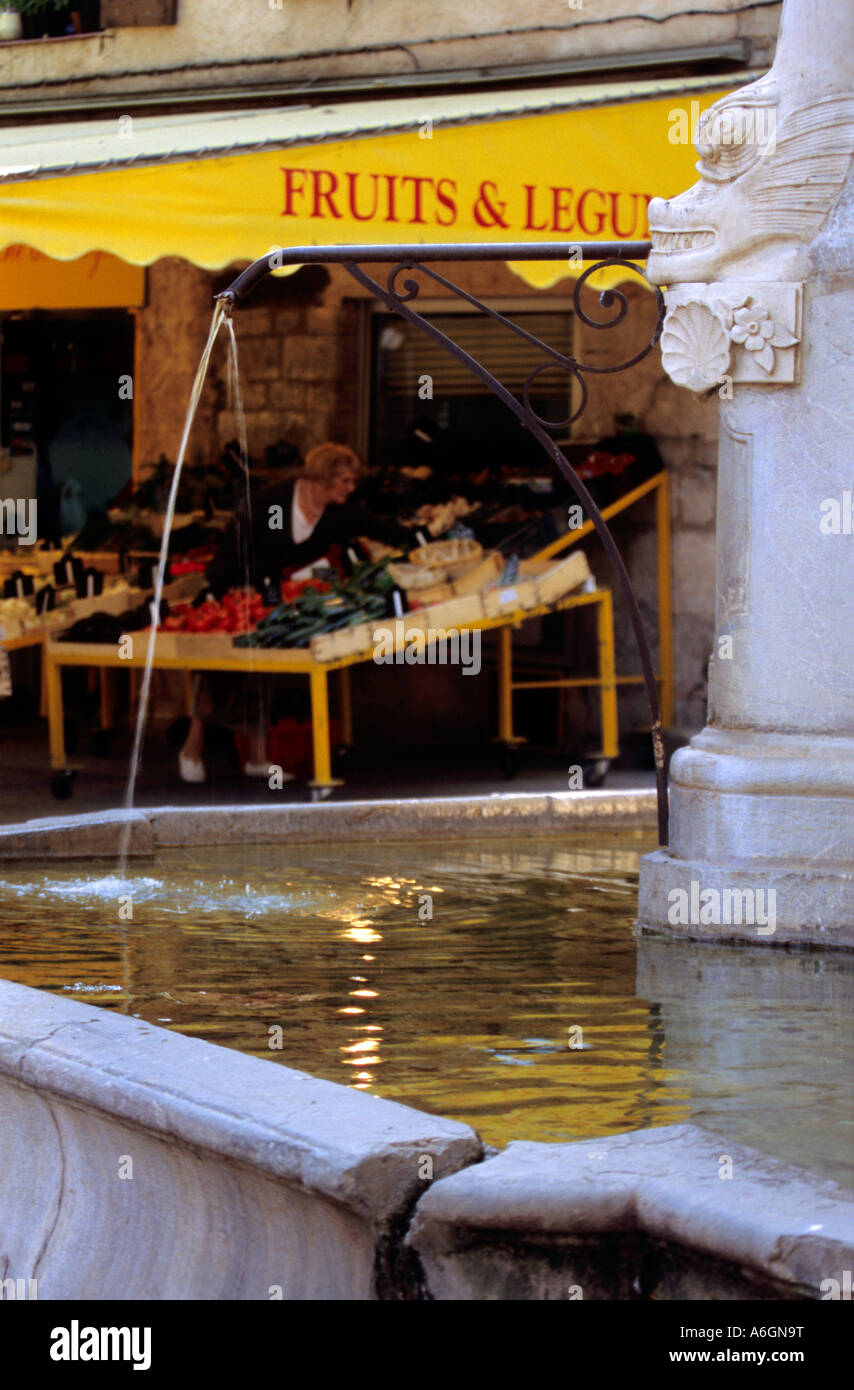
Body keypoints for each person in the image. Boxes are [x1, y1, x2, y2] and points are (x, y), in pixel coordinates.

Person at [178, 442, 409, 782]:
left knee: (264, 669)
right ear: (323, 478)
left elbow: (375, 526)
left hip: (274, 595)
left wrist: (420, 538)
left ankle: (258, 759)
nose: (350, 488)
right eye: (344, 481)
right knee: (218, 669)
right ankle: (192, 749)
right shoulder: (274, 501)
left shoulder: (337, 511)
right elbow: (241, 545)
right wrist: (220, 591)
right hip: (238, 586)